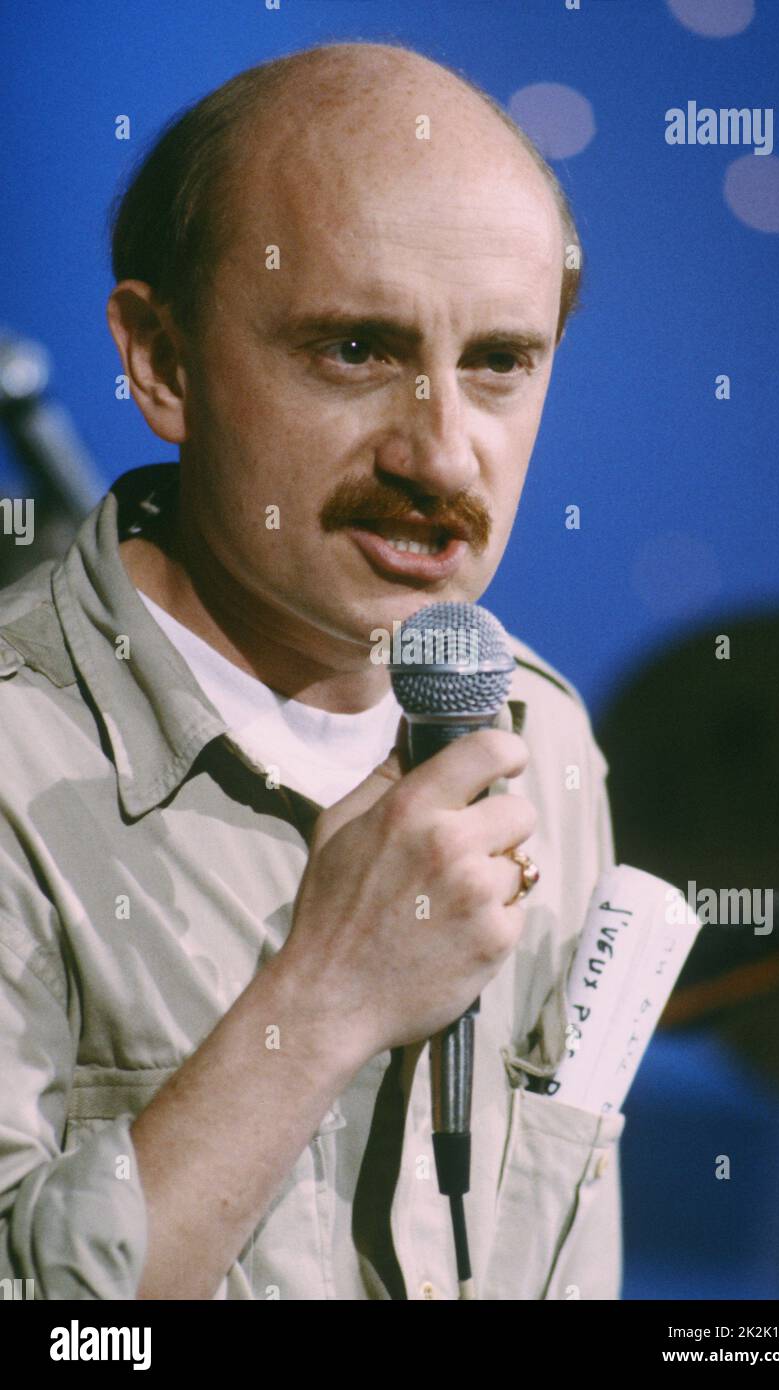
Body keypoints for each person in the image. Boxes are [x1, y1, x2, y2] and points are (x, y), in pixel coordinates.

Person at [0, 39, 625, 1301]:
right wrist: (327, 996)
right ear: (162, 362)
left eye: (499, 360)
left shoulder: (537, 732)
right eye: (354, 349)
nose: (442, 454)